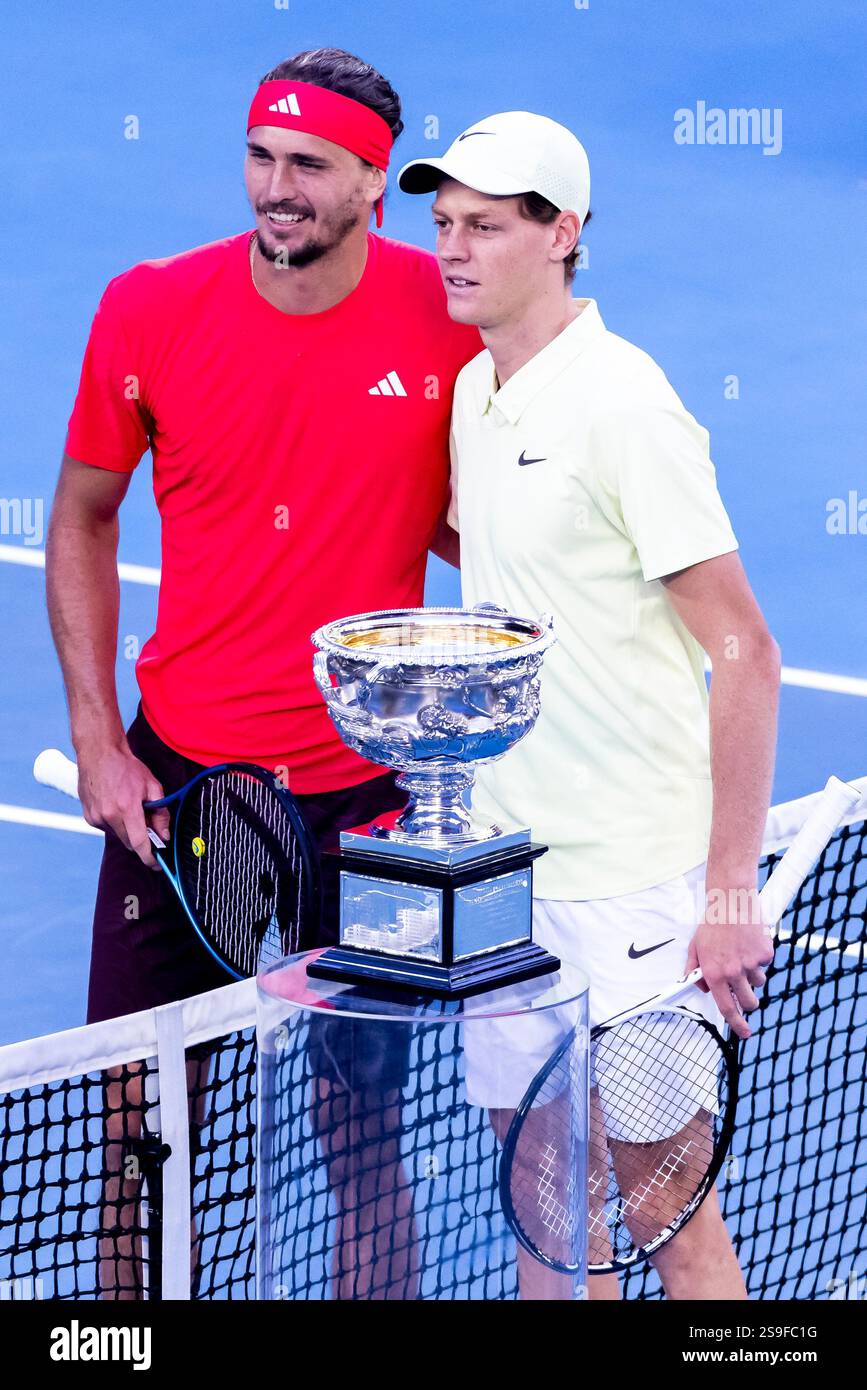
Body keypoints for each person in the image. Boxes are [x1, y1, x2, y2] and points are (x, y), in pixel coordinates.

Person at [46, 47, 480, 1298]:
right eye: (260, 156)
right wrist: (97, 737)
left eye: (310, 164)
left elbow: (483, 527)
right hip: (179, 793)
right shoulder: (149, 309)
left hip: (368, 802)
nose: (276, 188)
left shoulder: (442, 321)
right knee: (137, 1129)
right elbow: (80, 516)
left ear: (372, 186)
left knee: (362, 1133)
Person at [398, 111, 781, 1300]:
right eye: (445, 224)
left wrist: (726, 896)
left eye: (487, 227)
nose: (455, 250)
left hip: (636, 892)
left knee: (670, 1207)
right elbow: (517, 567)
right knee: (547, 1209)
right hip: (511, 872)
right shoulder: (476, 393)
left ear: (562, 235)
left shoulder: (626, 407)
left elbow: (748, 651)